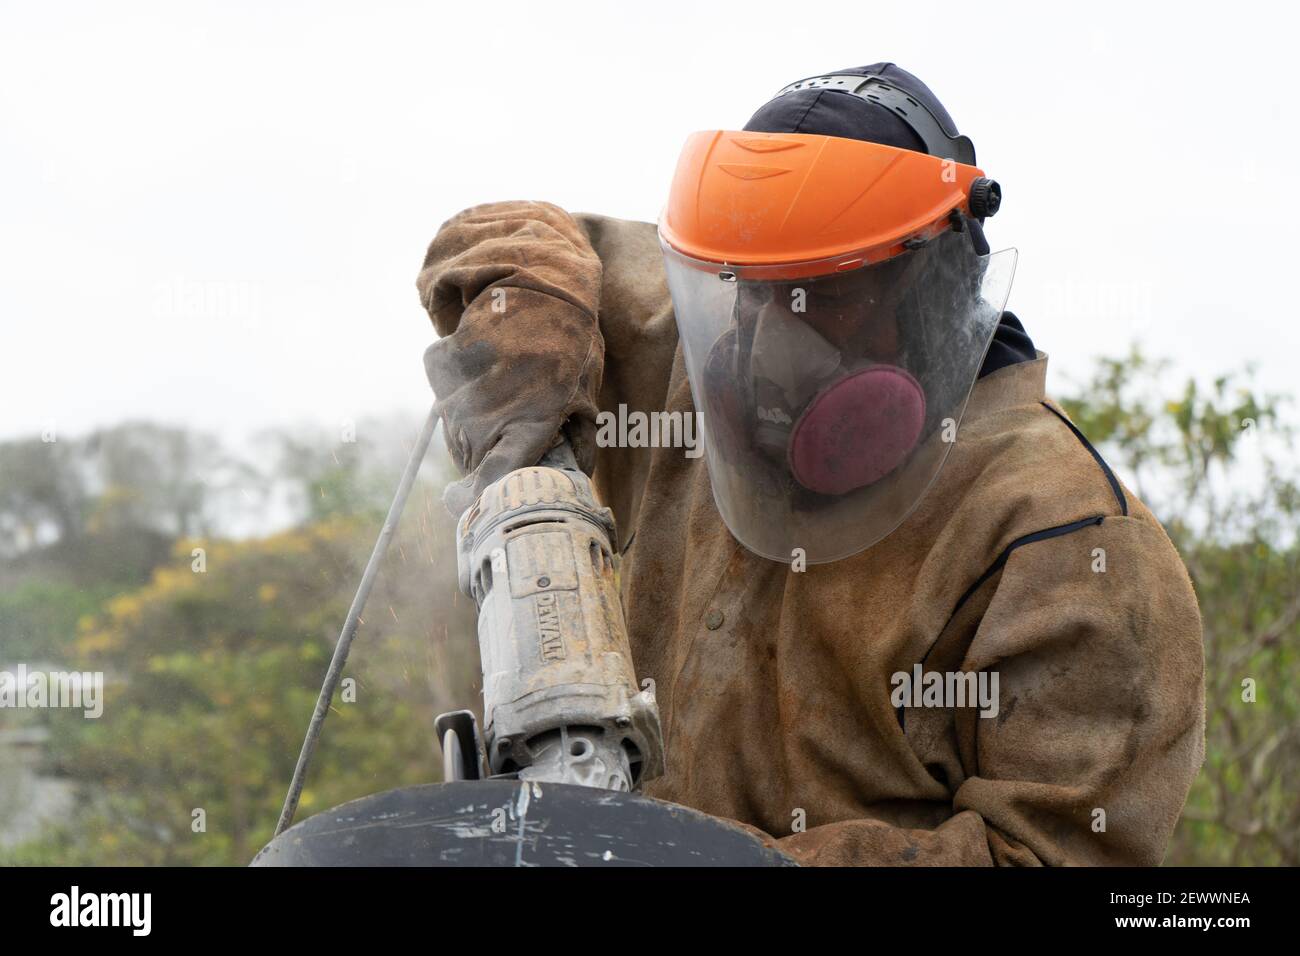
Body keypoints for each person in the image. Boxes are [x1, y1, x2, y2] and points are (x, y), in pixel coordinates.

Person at [415, 63, 1205, 865]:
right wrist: (535, 333)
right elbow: (511, 239)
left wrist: (692, 857)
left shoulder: (1068, 542)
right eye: (752, 289)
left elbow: (1051, 855)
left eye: (823, 293)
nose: (770, 343)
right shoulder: (696, 355)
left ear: (931, 286)